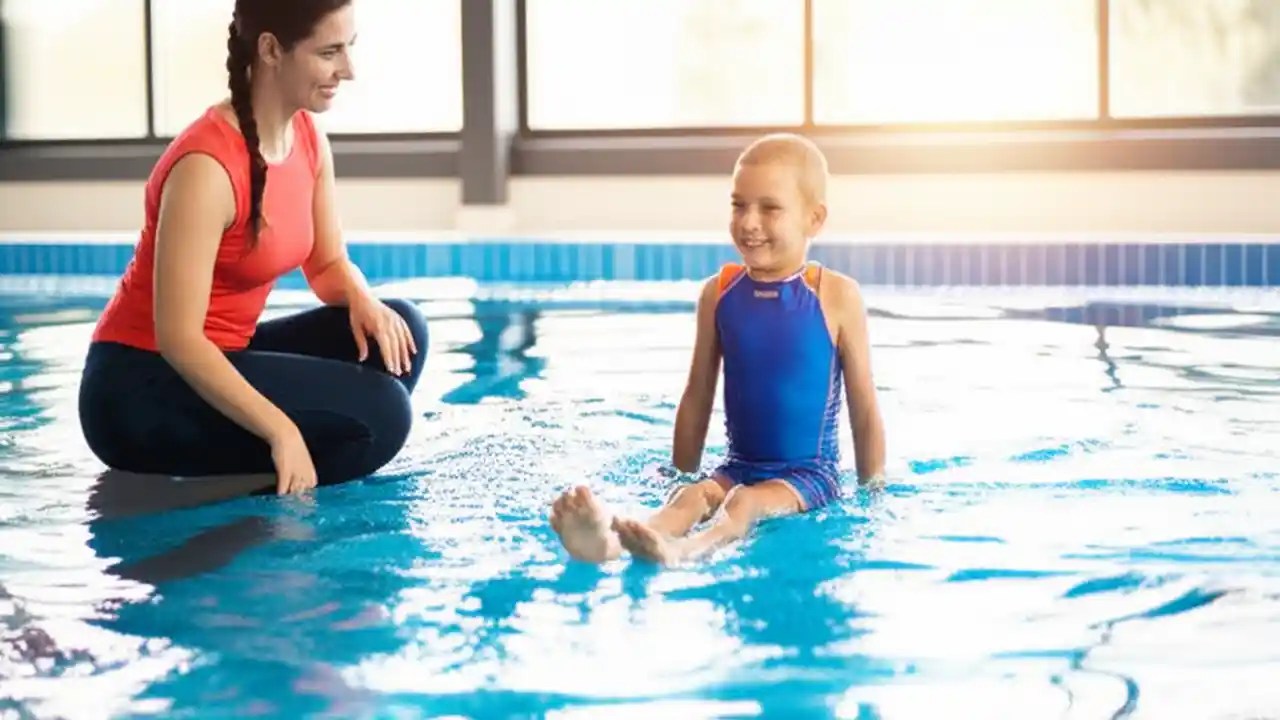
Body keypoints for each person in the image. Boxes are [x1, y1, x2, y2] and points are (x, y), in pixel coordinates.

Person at [77, 0, 428, 496]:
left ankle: (292, 458)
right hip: (141, 387)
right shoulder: (206, 168)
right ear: (270, 50)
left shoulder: (307, 138)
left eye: (349, 48)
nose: (348, 70)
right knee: (384, 416)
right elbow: (179, 340)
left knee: (403, 332)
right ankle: (255, 498)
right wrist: (280, 430)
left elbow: (327, 266)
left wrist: (362, 298)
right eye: (329, 52)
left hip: (224, 354)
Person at [550, 133, 886, 565]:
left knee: (743, 502)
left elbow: (864, 406)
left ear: (814, 219)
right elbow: (697, 395)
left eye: (770, 208)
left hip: (808, 475)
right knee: (691, 496)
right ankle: (611, 544)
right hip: (738, 466)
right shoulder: (719, 294)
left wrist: (873, 490)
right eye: (738, 205)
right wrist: (681, 473)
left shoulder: (836, 296)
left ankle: (686, 550)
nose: (749, 222)